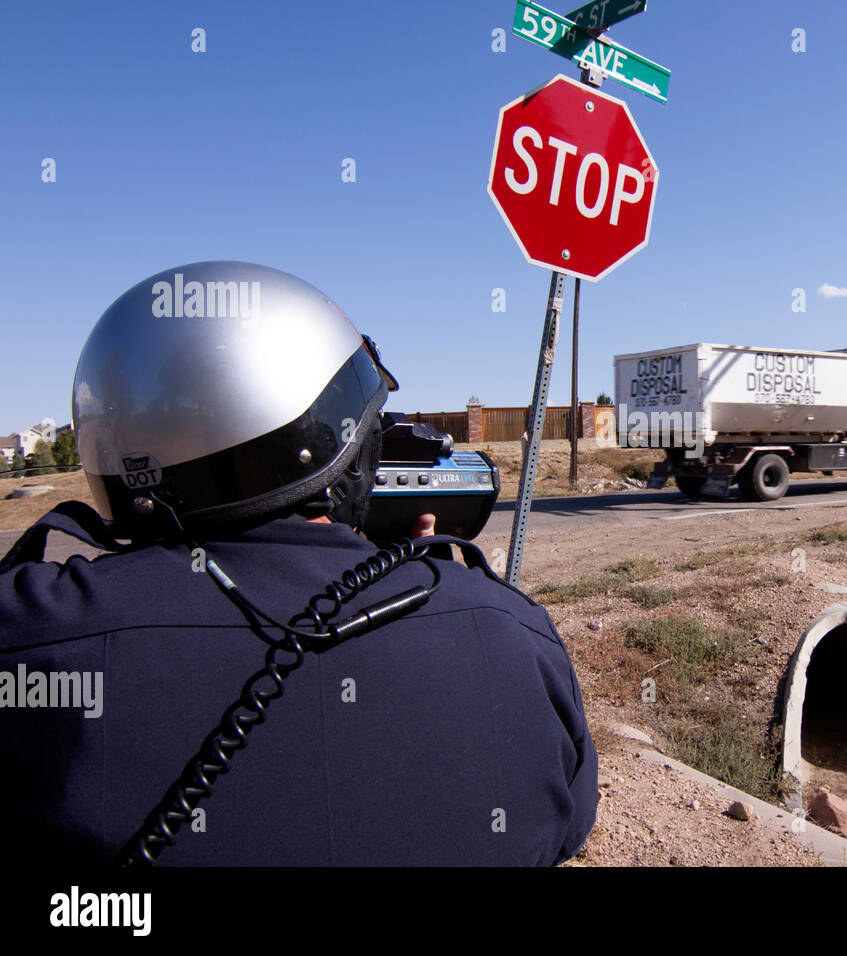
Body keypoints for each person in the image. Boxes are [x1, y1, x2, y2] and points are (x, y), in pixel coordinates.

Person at [0, 261, 598, 866]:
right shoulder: (515, 637)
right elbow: (567, 823)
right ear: (348, 451)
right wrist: (440, 589)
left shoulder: (33, 640)